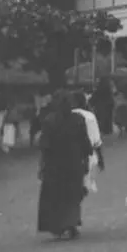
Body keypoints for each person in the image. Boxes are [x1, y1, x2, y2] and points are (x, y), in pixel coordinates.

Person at [37, 90, 92, 240]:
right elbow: (85, 143)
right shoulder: (78, 119)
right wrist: (86, 161)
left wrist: (41, 166)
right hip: (74, 161)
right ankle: (71, 224)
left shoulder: (50, 120)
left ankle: (59, 225)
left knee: (56, 196)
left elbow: (45, 146)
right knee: (72, 195)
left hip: (54, 164)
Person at [71, 91, 104, 194]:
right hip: (89, 156)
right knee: (86, 184)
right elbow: (96, 141)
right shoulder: (90, 116)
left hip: (70, 155)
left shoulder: (66, 115)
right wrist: (101, 159)